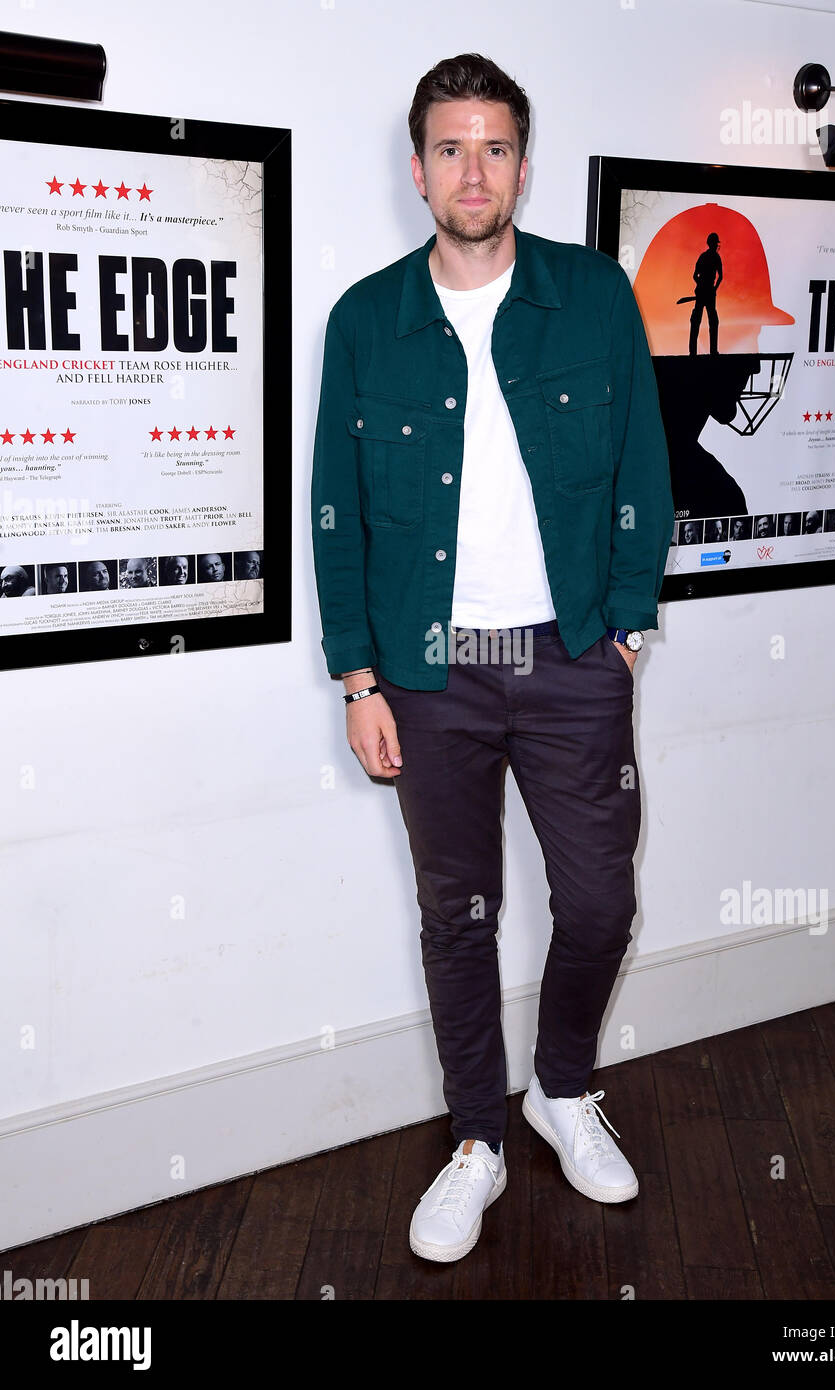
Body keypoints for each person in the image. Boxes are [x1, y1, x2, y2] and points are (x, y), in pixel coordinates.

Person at [311, 53, 673, 1263]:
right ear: (418, 170)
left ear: (524, 162)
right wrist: (358, 678)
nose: (475, 169)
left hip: (572, 659)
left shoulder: (595, 295)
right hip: (427, 673)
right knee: (456, 916)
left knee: (602, 900)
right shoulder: (367, 319)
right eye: (451, 148)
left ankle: (561, 1089)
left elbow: (644, 473)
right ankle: (478, 1138)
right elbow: (337, 509)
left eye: (497, 146)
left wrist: (624, 632)